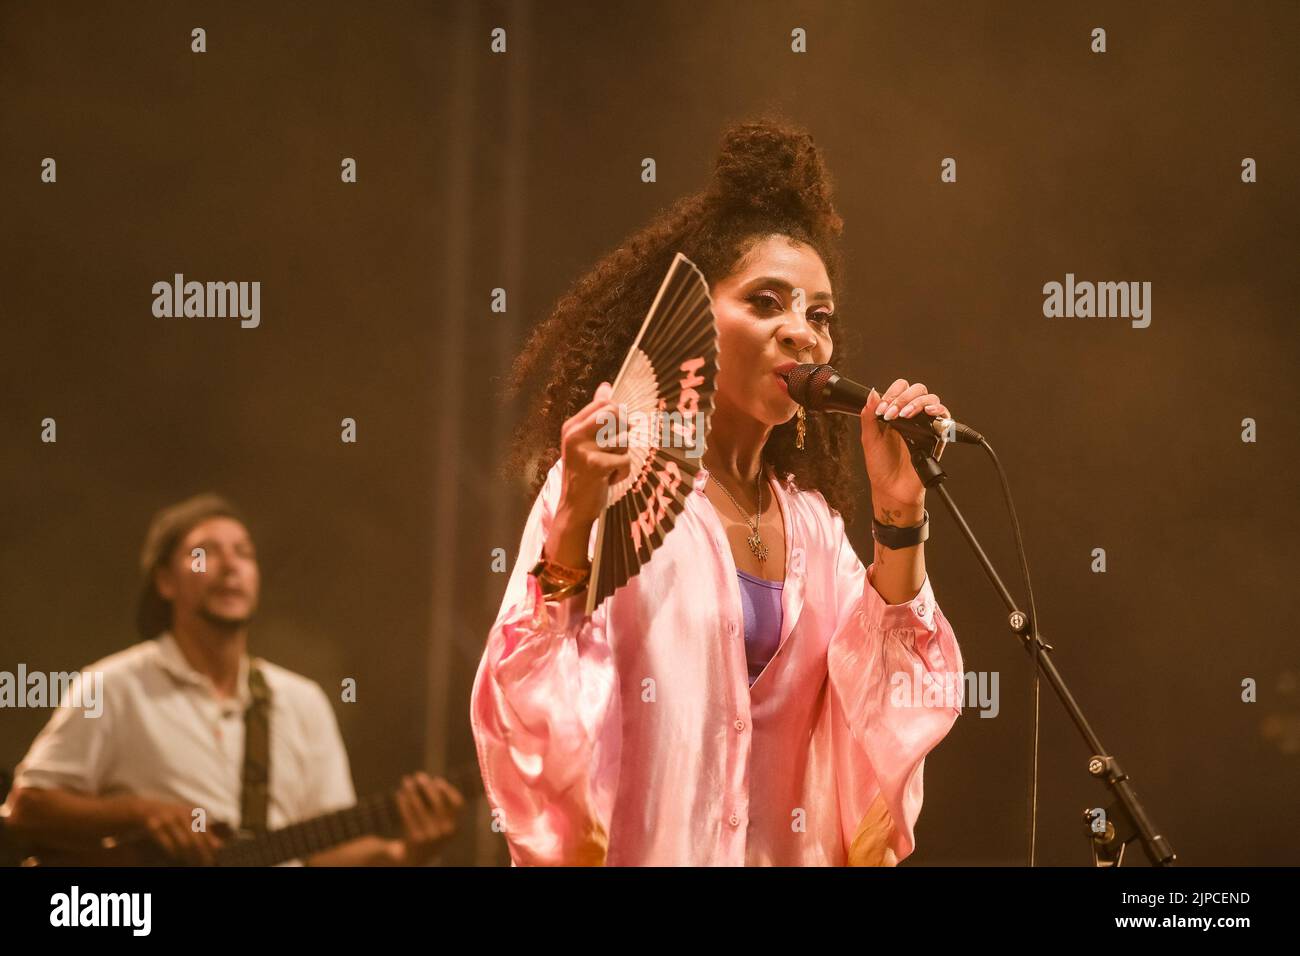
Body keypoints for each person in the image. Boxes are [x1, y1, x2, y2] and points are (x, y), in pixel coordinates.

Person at [471, 116, 965, 866]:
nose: (803, 333)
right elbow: (526, 700)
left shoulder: (817, 531)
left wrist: (900, 516)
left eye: (819, 314)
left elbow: (891, 720)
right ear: (697, 321)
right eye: (767, 303)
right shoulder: (616, 487)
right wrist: (573, 516)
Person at [3, 493, 462, 866]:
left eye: (244, 553)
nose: (229, 565)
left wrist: (407, 853)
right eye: (205, 553)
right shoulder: (114, 686)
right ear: (165, 581)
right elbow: (26, 808)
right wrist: (143, 812)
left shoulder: (301, 701)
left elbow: (329, 853)